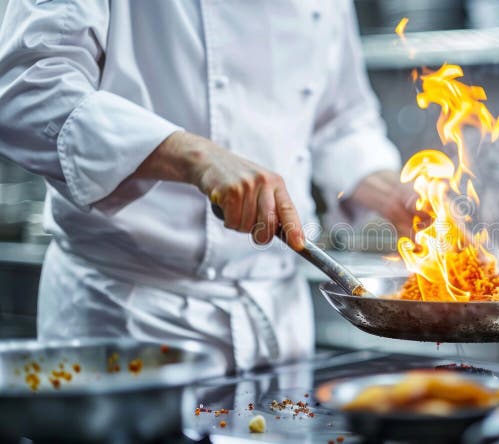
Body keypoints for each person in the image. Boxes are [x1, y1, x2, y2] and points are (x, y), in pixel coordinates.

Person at [0, 1, 416, 372]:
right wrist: (192, 155)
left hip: (278, 319)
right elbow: (29, 91)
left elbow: (340, 122)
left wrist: (389, 192)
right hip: (130, 318)